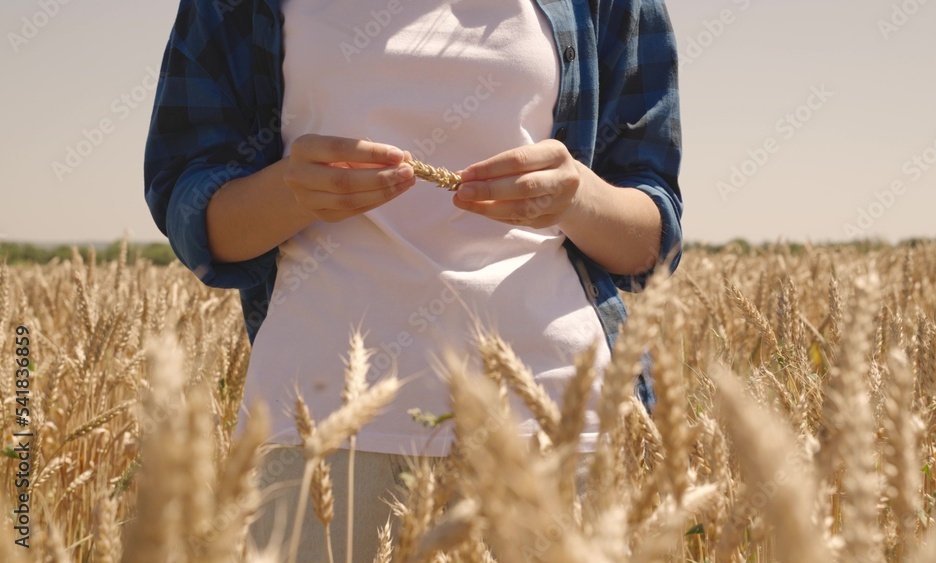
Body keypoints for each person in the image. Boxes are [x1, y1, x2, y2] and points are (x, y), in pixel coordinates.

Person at [144, 0, 683, 559]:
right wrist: (288, 191)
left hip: (560, 424)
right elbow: (193, 216)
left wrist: (577, 196)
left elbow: (651, 246)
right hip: (317, 430)